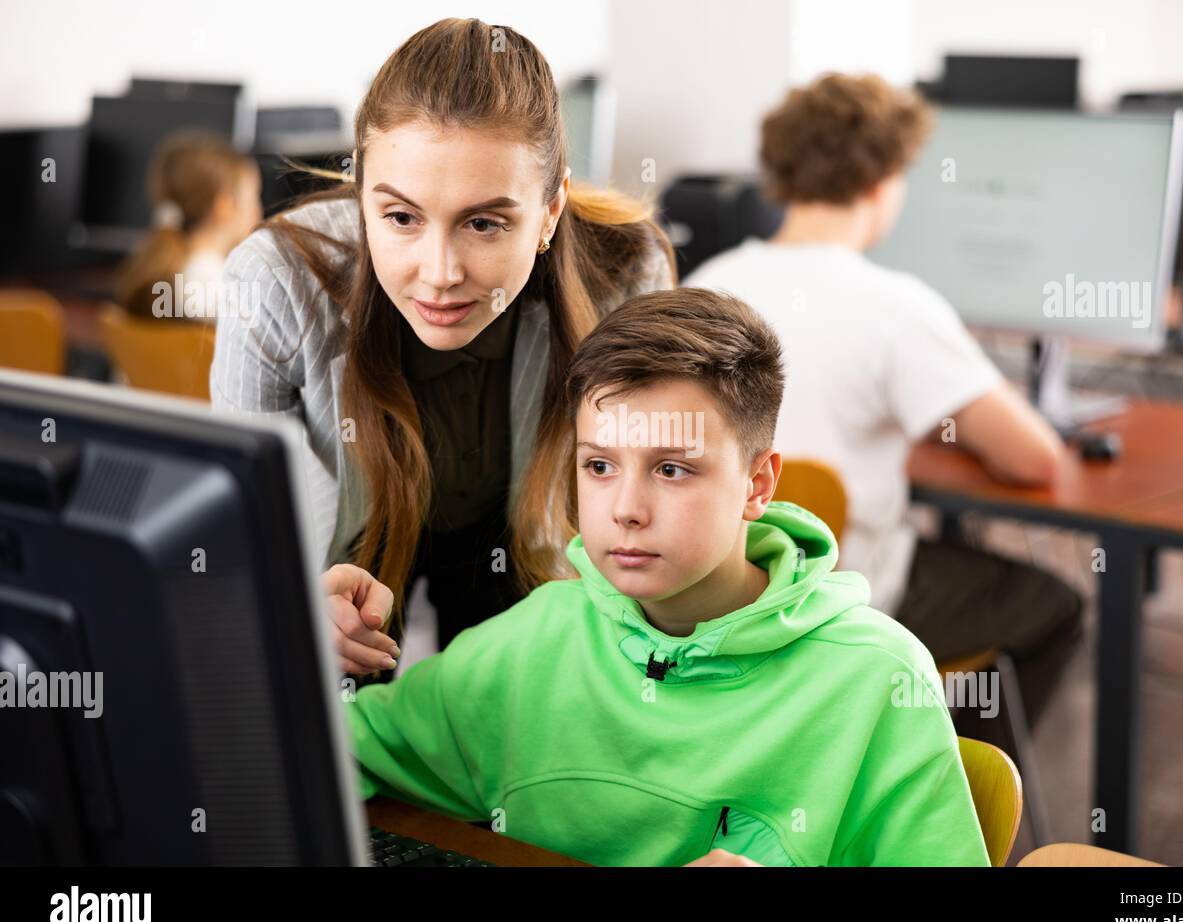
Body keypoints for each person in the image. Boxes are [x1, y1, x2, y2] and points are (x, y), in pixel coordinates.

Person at [345, 288, 990, 867]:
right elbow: (328, 750)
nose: (625, 508)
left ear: (757, 485)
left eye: (672, 470)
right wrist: (294, 639)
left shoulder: (876, 677)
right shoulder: (533, 640)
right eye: (599, 466)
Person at [210, 19, 675, 678]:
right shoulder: (274, 281)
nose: (439, 272)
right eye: (401, 217)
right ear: (360, 194)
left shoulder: (626, 267)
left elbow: (646, 498)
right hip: (350, 552)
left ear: (549, 212)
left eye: (484, 223)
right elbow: (234, 530)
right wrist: (290, 602)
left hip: (523, 542)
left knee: (523, 722)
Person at [684, 73, 1083, 743]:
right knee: (1055, 604)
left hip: (714, 597)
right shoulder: (896, 305)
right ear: (881, 181)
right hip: (842, 592)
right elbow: (1034, 457)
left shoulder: (706, 284)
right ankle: (940, 800)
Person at [115, 130, 262, 321]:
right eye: (254, 198)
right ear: (224, 207)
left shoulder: (154, 270)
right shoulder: (217, 287)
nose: (259, 210)